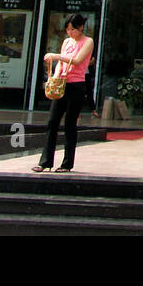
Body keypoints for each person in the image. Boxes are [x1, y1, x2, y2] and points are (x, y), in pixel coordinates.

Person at [33, 14, 94, 172]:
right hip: (62, 84)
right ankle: (45, 162)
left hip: (77, 86)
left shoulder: (88, 41)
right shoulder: (67, 42)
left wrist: (56, 56)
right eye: (67, 29)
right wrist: (54, 77)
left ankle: (67, 164)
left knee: (69, 124)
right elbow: (61, 63)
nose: (70, 32)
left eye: (72, 29)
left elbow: (78, 60)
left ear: (81, 27)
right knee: (52, 122)